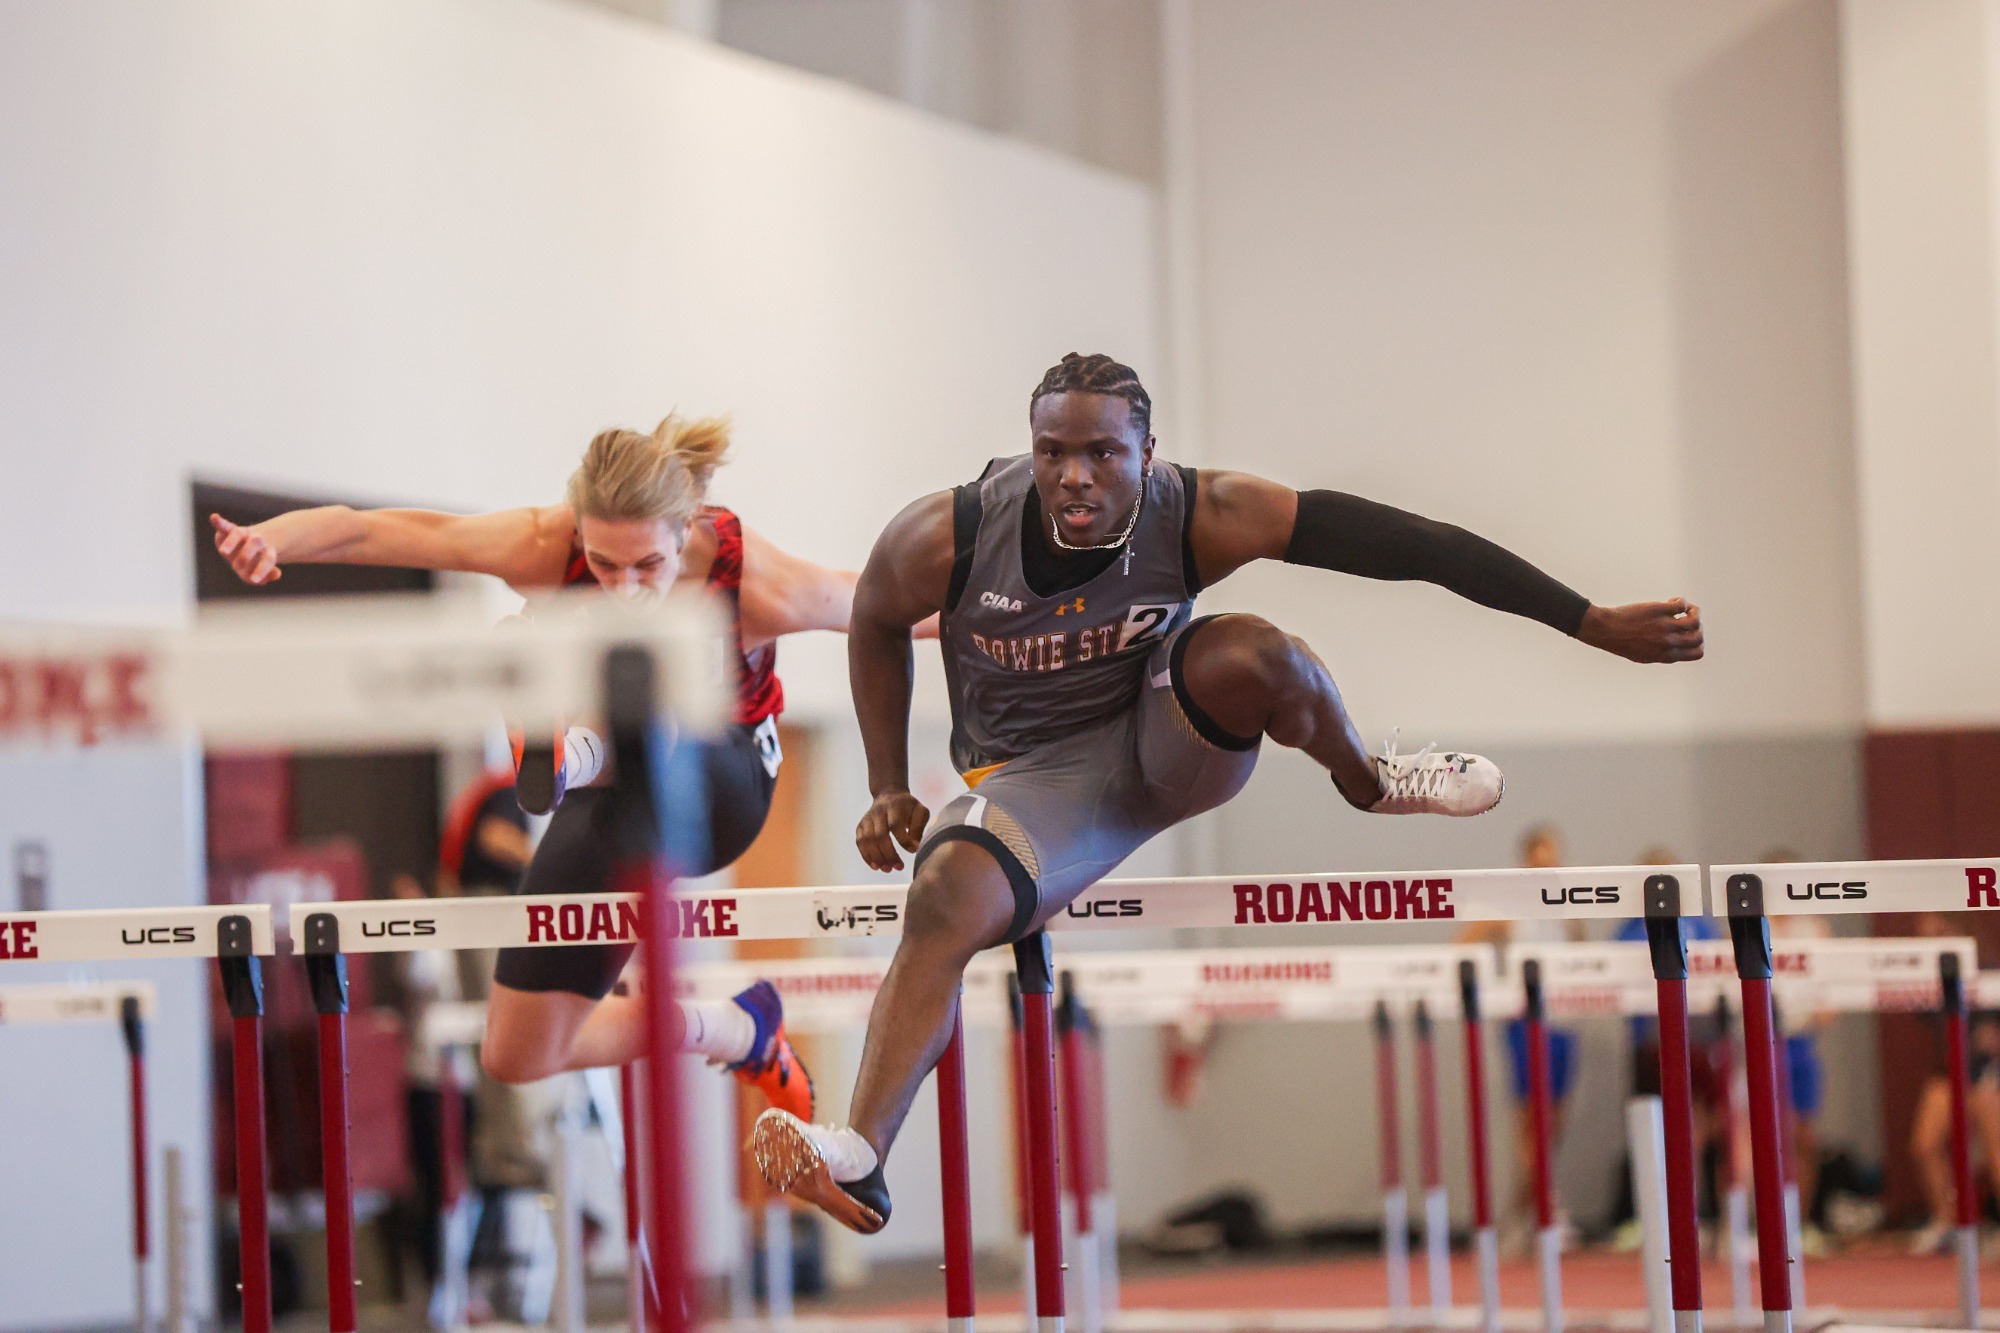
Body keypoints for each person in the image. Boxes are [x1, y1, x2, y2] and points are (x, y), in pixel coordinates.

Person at [751, 352, 1705, 1232]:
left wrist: (1588, 622)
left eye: (1101, 453)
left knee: (1261, 651)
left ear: (1147, 453)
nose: (1075, 476)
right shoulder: (949, 531)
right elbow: (872, 621)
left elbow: (1418, 543)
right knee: (943, 892)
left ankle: (1369, 780)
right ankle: (863, 1156)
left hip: (1175, 733)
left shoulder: (1206, 512)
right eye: (1053, 452)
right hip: (1038, 781)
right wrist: (882, 781)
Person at [211, 414, 853, 1112]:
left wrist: (990, 608)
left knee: (628, 649)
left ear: (685, 529)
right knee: (518, 1052)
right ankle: (736, 1027)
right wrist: (273, 538)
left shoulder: (754, 578)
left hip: (724, 781)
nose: (625, 584)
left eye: (648, 566)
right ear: (579, 531)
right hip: (607, 801)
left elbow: (893, 602)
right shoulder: (544, 543)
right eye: (604, 564)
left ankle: (567, 748)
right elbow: (379, 530)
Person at [1460, 824, 1590, 1254]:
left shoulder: (1569, 908)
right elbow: (1463, 944)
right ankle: (1544, 1212)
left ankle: (1519, 1218)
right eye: (1539, 861)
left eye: (1553, 861)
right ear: (1524, 862)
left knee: (1555, 1128)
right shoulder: (1507, 908)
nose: (1546, 868)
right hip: (1525, 1025)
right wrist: (1491, 992)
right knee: (1530, 1128)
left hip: (1565, 1024)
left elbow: (1581, 958)